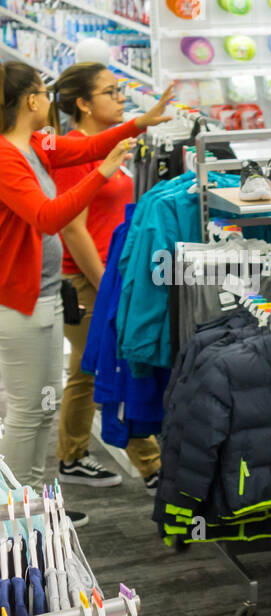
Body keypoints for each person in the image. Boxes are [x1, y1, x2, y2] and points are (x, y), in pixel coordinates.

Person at [0, 62, 171, 517]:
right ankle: (19, 512)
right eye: (42, 91)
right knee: (27, 411)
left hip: (45, 294)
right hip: (20, 302)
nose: (48, 99)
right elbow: (48, 218)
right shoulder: (6, 157)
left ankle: (39, 505)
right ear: (29, 101)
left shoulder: (36, 143)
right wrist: (102, 174)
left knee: (41, 408)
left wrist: (139, 122)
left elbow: (87, 145)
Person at [51, 63, 163, 491]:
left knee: (88, 370)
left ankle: (73, 455)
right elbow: (73, 229)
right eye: (110, 92)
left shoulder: (105, 145)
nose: (120, 98)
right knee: (112, 365)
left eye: (120, 90)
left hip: (109, 272)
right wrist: (104, 285)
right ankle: (150, 466)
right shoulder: (74, 152)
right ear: (83, 103)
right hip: (87, 278)